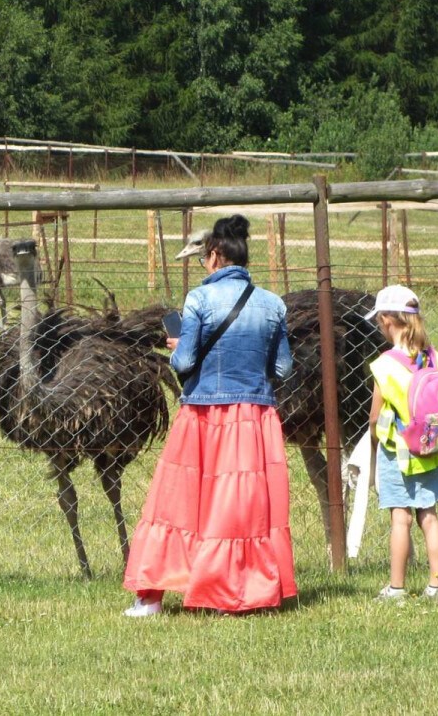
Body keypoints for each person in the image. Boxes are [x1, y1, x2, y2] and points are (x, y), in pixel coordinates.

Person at [123, 215, 296, 616]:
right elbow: (283, 369)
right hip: (254, 418)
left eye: (205, 257)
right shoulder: (273, 304)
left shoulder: (198, 299)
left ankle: (152, 598)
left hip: (202, 415)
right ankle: (235, 593)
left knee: (177, 505)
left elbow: (183, 360)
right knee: (239, 509)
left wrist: (180, 345)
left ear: (216, 254)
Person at [365, 284, 438, 604]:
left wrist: (375, 444)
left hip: (397, 454)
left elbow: (375, 418)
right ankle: (437, 586)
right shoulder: (436, 357)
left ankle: (397, 588)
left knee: (400, 518)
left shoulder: (384, 365)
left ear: (388, 320)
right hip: (431, 450)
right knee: (429, 516)